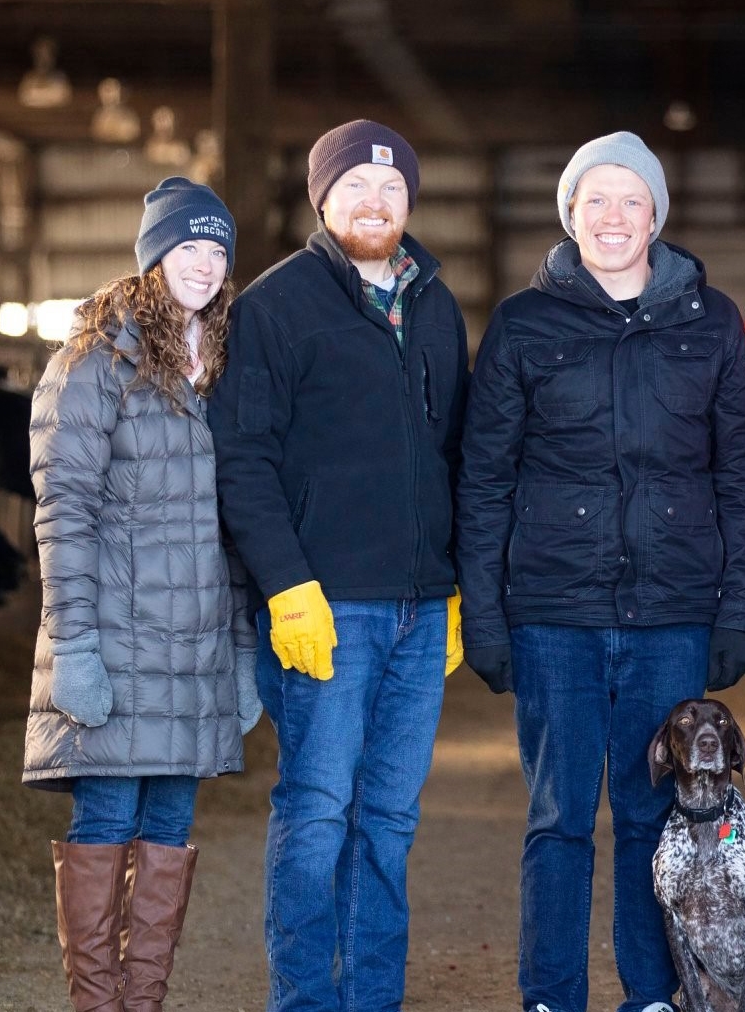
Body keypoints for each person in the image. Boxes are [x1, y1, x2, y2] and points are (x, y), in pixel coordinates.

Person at [455, 131, 745, 1012]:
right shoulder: (524, 323)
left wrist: (738, 611)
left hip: (671, 614)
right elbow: (483, 479)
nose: (614, 217)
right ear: (571, 214)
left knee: (649, 816)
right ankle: (551, 996)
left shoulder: (711, 324)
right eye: (596, 199)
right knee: (558, 819)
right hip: (554, 614)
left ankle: (650, 997)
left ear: (658, 215)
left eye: (633, 200)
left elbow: (740, 478)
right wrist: (486, 615)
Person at [207, 119, 468, 1012]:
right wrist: (286, 586)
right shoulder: (275, 308)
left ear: (410, 202)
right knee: (318, 812)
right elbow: (241, 459)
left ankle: (372, 1000)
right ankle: (306, 1002)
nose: (374, 202)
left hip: (420, 607)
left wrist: (455, 580)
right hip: (325, 606)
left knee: (389, 820)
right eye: (354, 186)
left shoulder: (435, 304)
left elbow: (452, 453)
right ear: (323, 199)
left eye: (391, 189)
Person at [22, 175, 257, 1012]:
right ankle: (99, 1004)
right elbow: (63, 512)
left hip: (191, 653)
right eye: (188, 245)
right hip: (115, 647)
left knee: (168, 836)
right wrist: (75, 647)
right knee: (106, 826)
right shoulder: (94, 363)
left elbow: (233, 527)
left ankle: (144, 1001)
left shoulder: (221, 369)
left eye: (217, 247)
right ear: (153, 256)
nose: (204, 262)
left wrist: (239, 654)